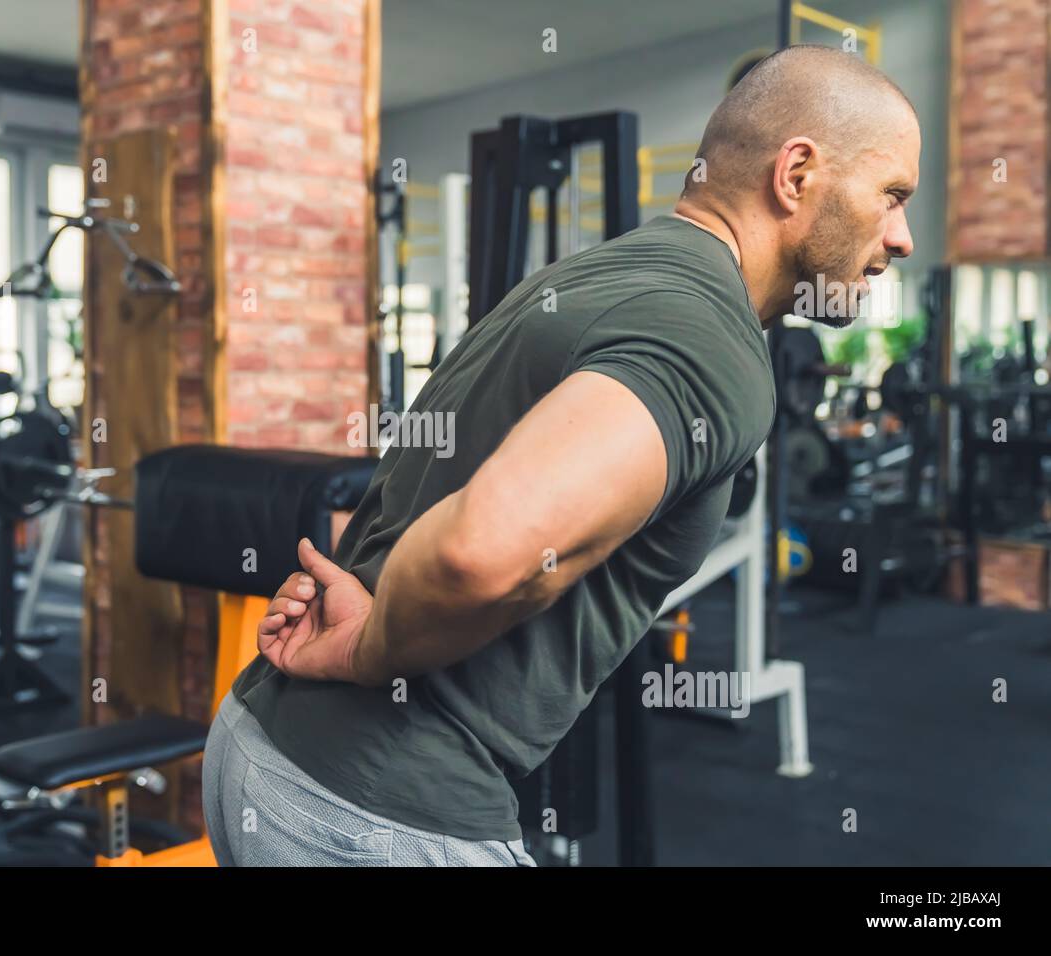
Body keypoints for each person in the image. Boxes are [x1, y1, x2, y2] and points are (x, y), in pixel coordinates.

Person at [202, 44, 919, 866]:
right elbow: (481, 552)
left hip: (262, 749)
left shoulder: (596, 274)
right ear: (797, 174)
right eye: (891, 196)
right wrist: (367, 652)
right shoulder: (711, 341)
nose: (900, 237)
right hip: (374, 814)